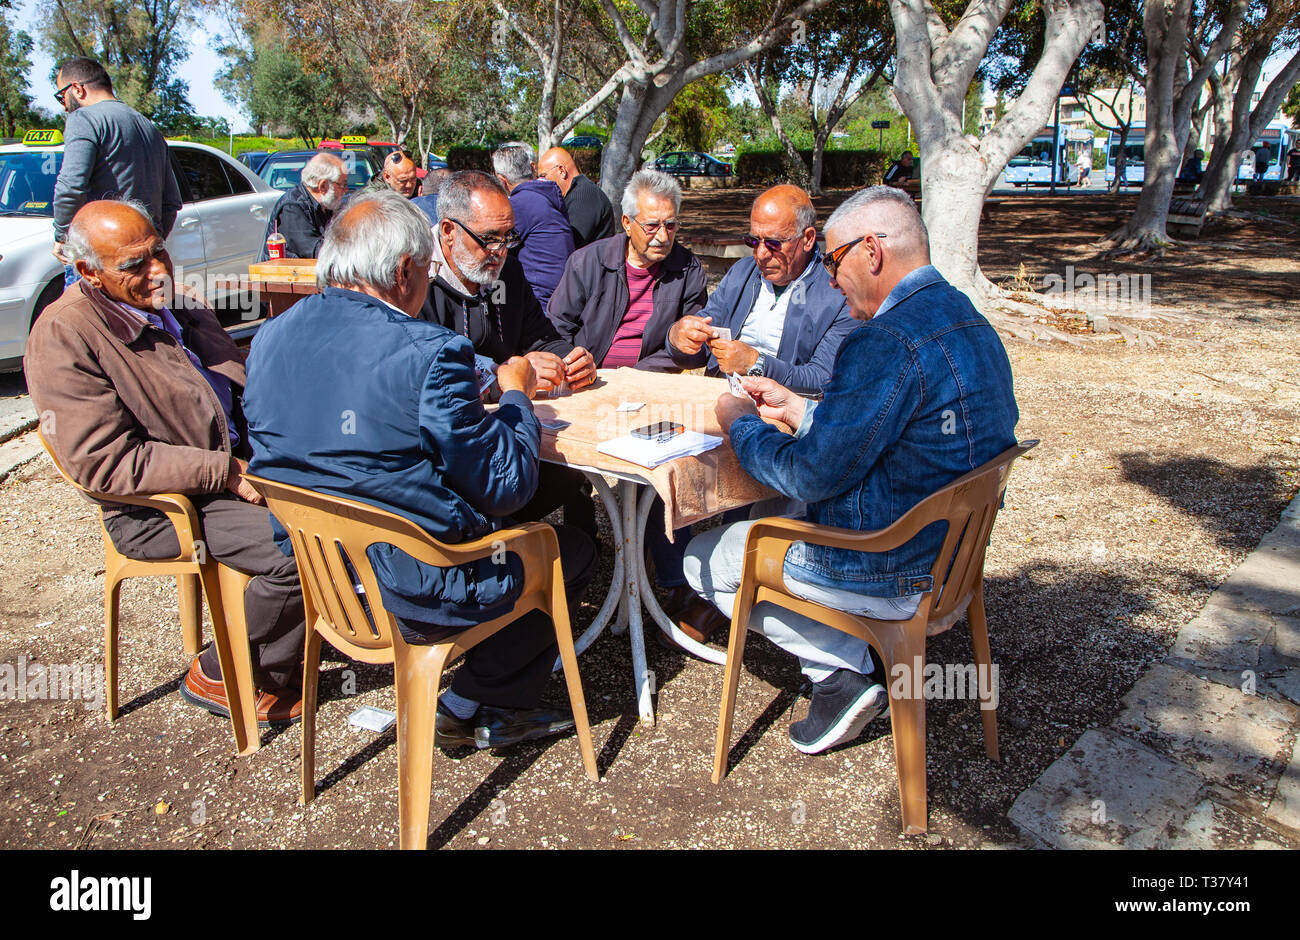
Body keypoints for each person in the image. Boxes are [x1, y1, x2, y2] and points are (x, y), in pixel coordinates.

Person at [244, 191, 592, 748]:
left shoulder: (269, 338)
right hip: (413, 585)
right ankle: (476, 703)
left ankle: (475, 688)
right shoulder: (430, 352)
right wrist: (516, 397)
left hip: (323, 571)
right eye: (428, 269)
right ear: (405, 270)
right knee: (566, 547)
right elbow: (505, 486)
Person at [684, 185, 1019, 755]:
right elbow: (887, 429)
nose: (831, 280)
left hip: (893, 564)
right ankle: (857, 661)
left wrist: (741, 422)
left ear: (872, 251)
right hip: (953, 557)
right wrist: (796, 408)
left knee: (703, 558)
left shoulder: (883, 339)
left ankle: (839, 674)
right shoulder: (968, 317)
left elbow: (811, 476)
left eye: (834, 262)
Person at [24, 200, 306, 724]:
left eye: (159, 253)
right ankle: (225, 672)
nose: (157, 272)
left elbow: (238, 384)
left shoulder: (172, 301)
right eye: (134, 265)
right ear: (87, 271)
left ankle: (298, 628)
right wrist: (225, 472)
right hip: (162, 506)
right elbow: (104, 463)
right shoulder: (65, 334)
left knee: (355, 498)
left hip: (238, 466)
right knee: (298, 547)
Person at [547, 169, 712, 639]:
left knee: (666, 470)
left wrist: (680, 348)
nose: (662, 236)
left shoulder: (688, 269)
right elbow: (554, 328)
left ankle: (676, 582)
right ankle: (584, 560)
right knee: (562, 464)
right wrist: (571, 360)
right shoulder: (588, 263)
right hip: (585, 389)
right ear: (626, 223)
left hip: (648, 389)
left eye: (671, 225)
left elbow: (693, 341)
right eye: (651, 225)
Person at [422, 170, 597, 540]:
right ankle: (502, 550)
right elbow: (428, 378)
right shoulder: (417, 283)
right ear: (448, 232)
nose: (500, 251)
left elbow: (541, 337)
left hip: (504, 429)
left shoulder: (506, 272)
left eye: (508, 237)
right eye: (488, 239)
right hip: (452, 453)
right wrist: (504, 377)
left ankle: (567, 548)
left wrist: (570, 359)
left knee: (571, 468)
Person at [667, 184, 859, 396]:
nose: (761, 253)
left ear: (808, 239)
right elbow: (699, 350)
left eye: (774, 243)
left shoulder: (839, 293)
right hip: (721, 398)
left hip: (783, 412)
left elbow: (823, 379)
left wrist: (756, 364)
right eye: (753, 241)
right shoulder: (742, 273)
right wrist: (678, 339)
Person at [50, 57, 183, 286]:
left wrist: (62, 236)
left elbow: (71, 186)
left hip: (99, 262)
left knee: (85, 320)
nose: (63, 105)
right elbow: (171, 203)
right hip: (143, 265)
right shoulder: (148, 126)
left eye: (61, 96)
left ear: (77, 89)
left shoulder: (84, 118)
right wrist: (149, 245)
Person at [492, 143, 575, 312]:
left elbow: (493, 247)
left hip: (541, 302)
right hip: (562, 295)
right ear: (531, 167)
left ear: (502, 180)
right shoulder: (545, 197)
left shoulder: (518, 204)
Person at [257, 152, 348, 261]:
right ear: (323, 186)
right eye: (342, 184)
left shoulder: (327, 205)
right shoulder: (292, 208)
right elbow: (318, 252)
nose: (345, 190)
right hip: (289, 276)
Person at [536, 146, 616, 248]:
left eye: (543, 176)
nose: (541, 182)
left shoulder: (584, 196)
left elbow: (568, 244)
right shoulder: (576, 193)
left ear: (562, 171)